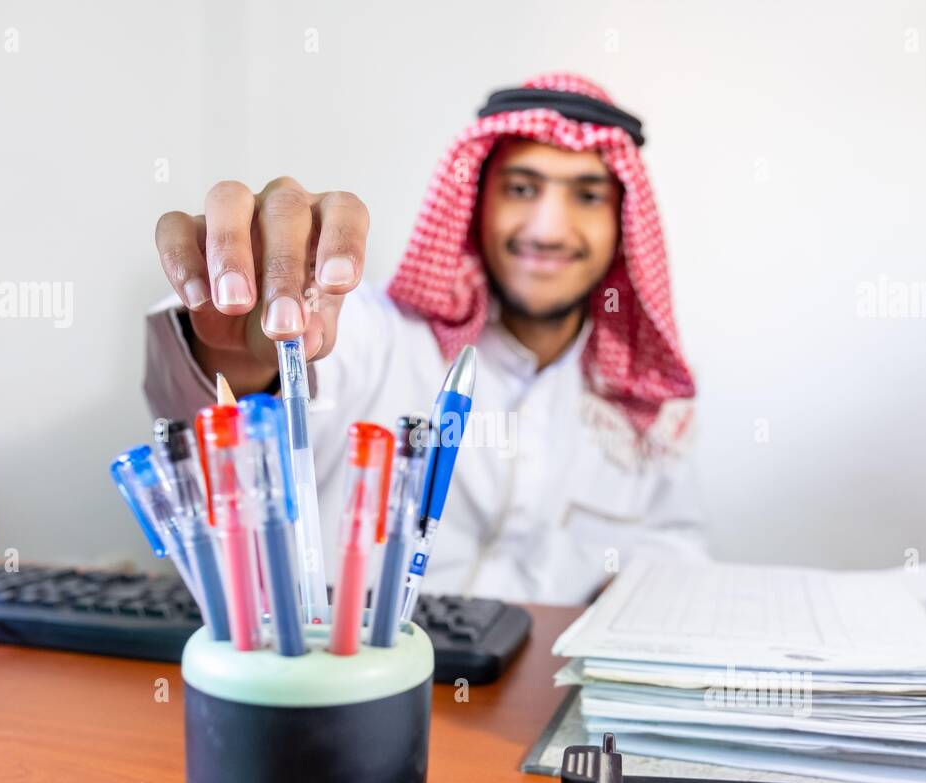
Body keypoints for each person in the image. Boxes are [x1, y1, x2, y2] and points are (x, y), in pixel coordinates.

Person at [144, 73, 705, 604]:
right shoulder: (378, 332)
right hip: (347, 686)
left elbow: (673, 547)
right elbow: (246, 388)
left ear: (624, 222)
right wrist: (244, 333)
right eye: (521, 188)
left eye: (587, 196)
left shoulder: (644, 396)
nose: (549, 229)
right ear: (477, 204)